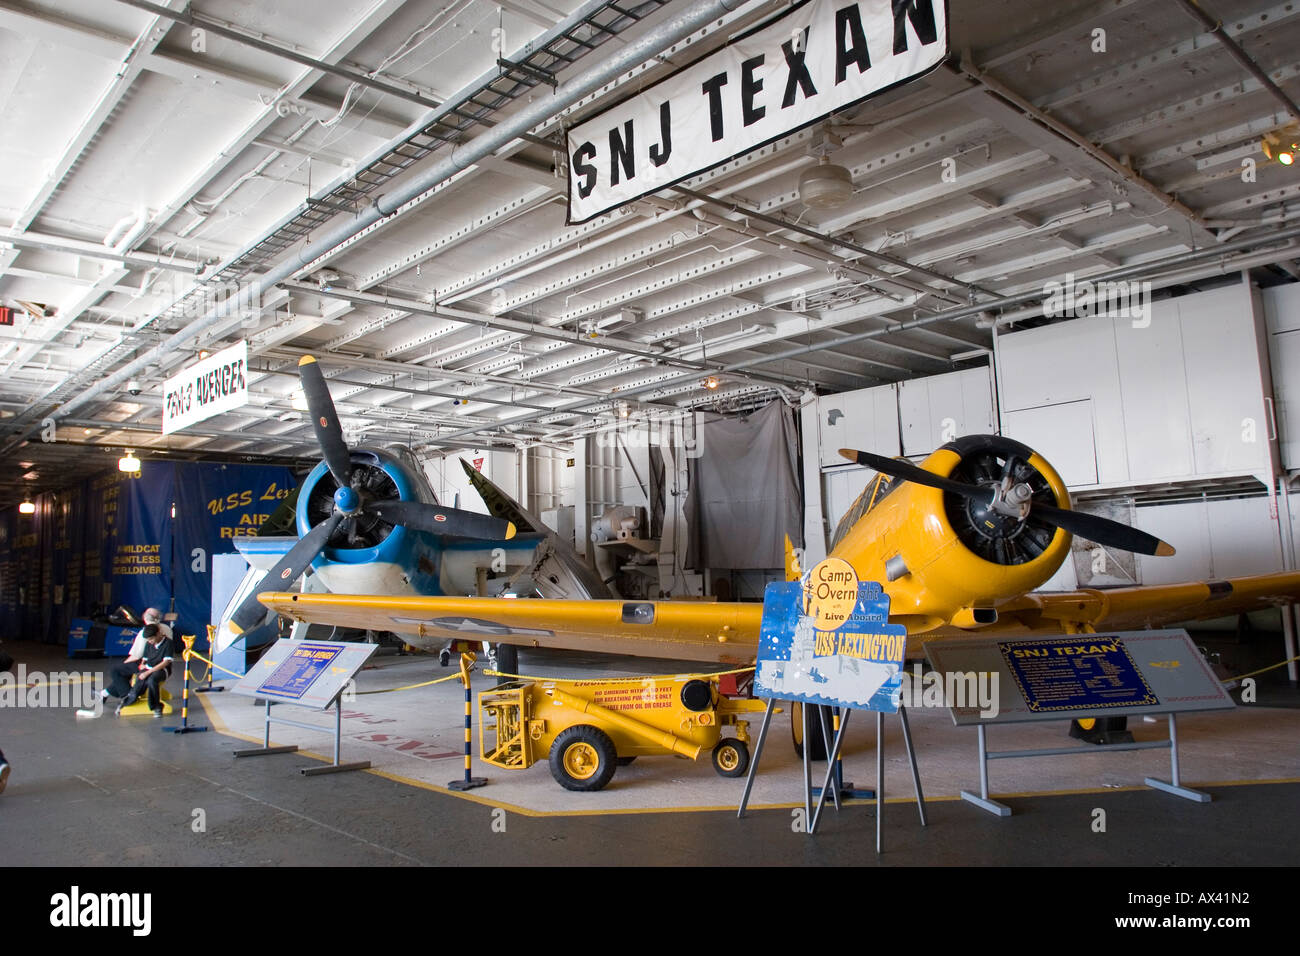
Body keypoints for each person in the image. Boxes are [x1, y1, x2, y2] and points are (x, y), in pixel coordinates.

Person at [118, 625, 174, 717]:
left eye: (151, 639)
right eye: (148, 639)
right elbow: (145, 658)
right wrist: (142, 664)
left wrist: (148, 672)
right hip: (148, 667)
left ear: (158, 634)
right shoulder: (149, 644)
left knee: (152, 681)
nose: (150, 641)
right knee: (139, 681)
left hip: (162, 669)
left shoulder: (168, 643)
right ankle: (128, 701)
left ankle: (156, 707)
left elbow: (166, 662)